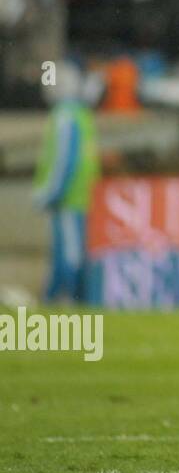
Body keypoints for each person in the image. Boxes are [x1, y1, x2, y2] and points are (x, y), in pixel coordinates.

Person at [31, 61, 101, 303]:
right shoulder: (82, 115)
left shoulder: (64, 116)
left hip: (68, 199)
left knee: (69, 255)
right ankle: (57, 299)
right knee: (71, 252)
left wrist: (47, 193)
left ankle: (66, 301)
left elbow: (63, 161)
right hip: (82, 196)